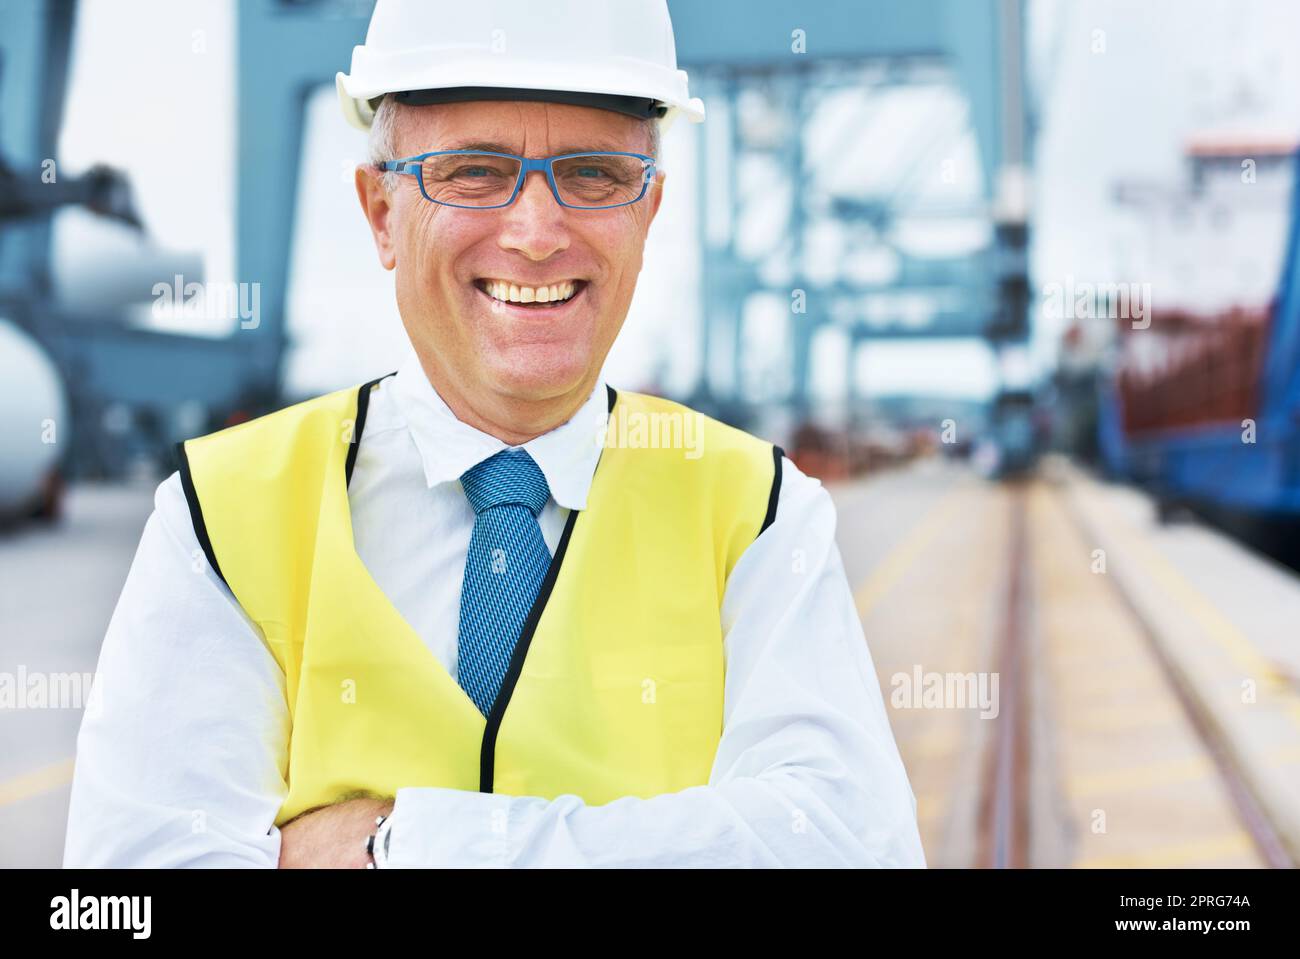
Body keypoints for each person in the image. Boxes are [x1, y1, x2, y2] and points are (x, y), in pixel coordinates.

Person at [63, 0, 925, 868]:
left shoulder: (762, 514)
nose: (537, 232)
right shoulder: (223, 516)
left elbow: (849, 847)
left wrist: (397, 849)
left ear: (649, 213)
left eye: (592, 174)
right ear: (380, 214)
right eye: (473, 172)